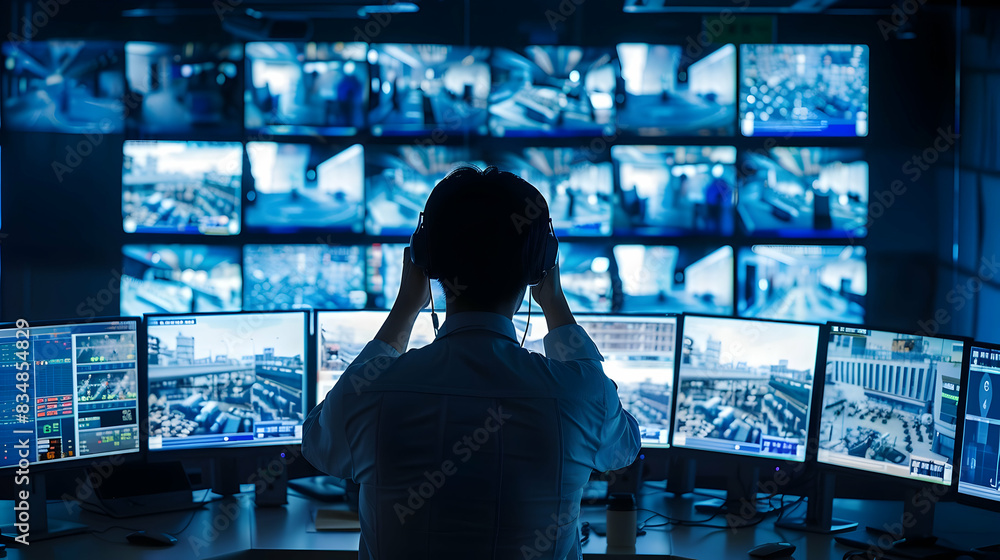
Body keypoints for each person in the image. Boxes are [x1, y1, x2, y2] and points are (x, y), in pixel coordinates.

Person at [302, 166, 640, 559]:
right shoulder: (580, 395)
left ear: (424, 259)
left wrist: (405, 307)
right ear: (542, 264)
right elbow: (624, 448)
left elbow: (317, 443)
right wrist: (555, 302)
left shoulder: (370, 393)